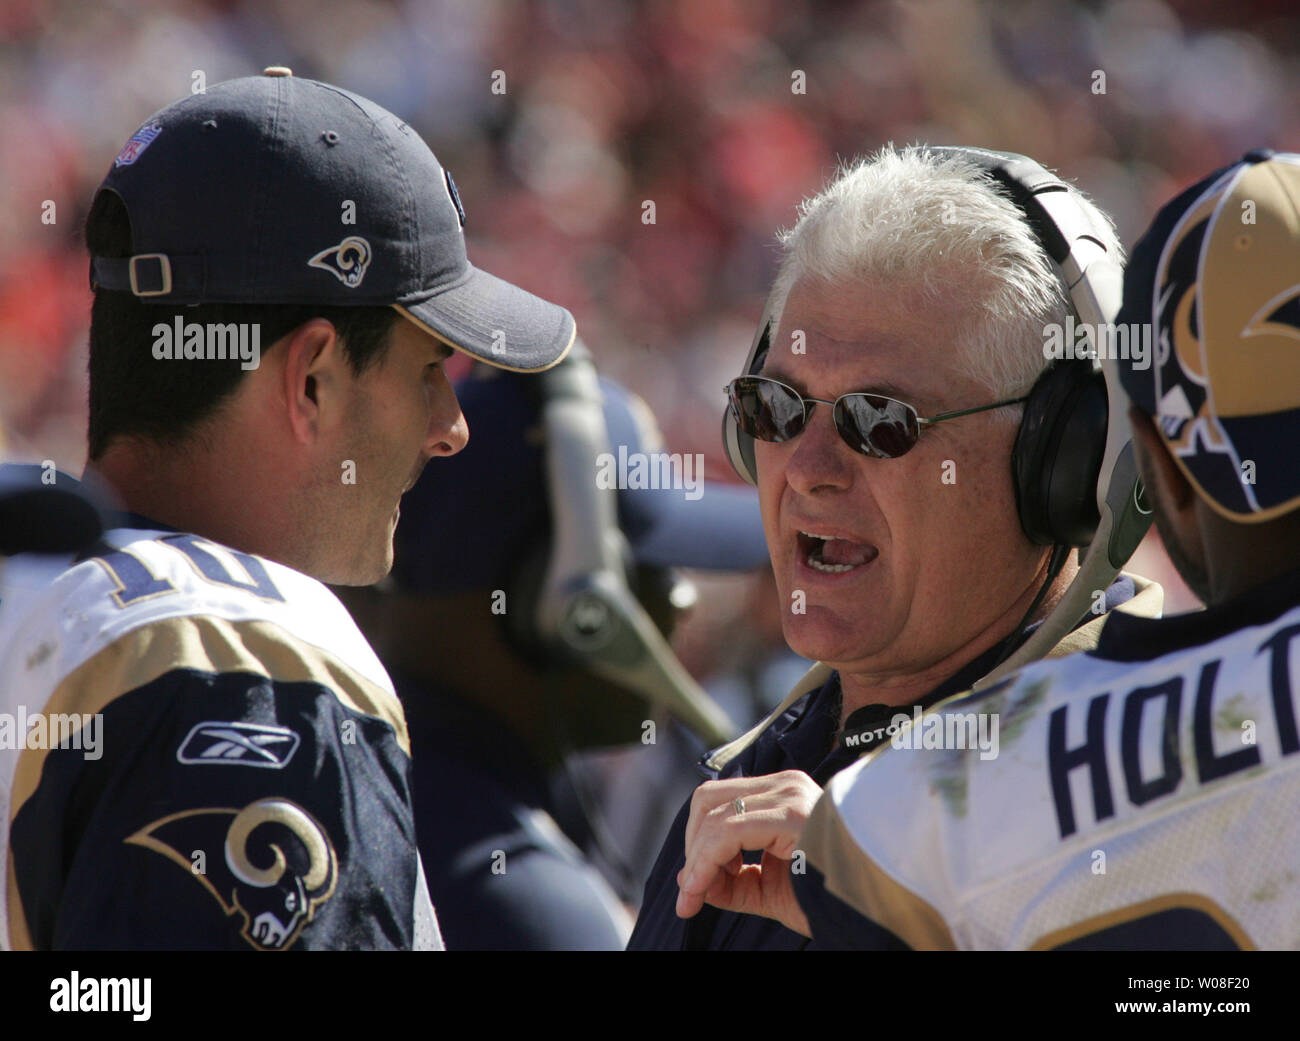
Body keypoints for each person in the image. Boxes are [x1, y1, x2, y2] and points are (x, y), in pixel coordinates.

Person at [0, 69, 575, 950]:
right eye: (428, 372)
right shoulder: (242, 649)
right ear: (311, 379)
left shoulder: (29, 584)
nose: (450, 427)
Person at [684, 149, 1300, 950]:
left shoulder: (1170, 787)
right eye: (776, 404)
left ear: (1064, 463)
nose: (808, 468)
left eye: (882, 420)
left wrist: (902, 894)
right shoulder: (758, 771)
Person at [341, 357, 771, 949]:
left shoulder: (380, 781)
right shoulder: (522, 904)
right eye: (651, 567)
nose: (684, 598)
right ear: (557, 600)